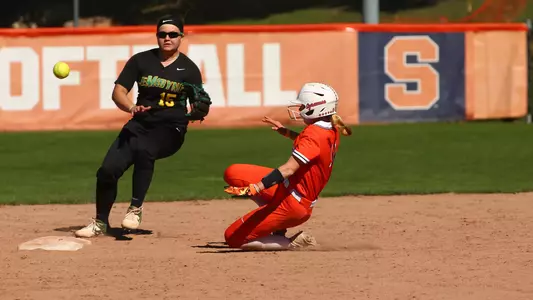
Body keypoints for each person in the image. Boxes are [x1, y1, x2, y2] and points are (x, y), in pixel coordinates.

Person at [75, 14, 211, 238]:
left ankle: (135, 208)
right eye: (162, 34)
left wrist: (199, 109)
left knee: (144, 149)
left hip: (171, 129)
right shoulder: (141, 61)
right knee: (107, 171)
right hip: (139, 124)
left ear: (181, 37)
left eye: (172, 34)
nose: (167, 38)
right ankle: (100, 223)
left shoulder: (189, 69)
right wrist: (131, 108)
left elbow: (199, 101)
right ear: (157, 36)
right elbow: (118, 92)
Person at [222, 82, 352, 250]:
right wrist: (285, 131)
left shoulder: (314, 134)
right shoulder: (330, 127)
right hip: (289, 190)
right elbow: (311, 147)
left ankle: (293, 243)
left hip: (293, 205)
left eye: (303, 105)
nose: (299, 109)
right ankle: (274, 220)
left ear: (316, 108)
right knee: (233, 173)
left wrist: (257, 187)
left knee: (233, 238)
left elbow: (288, 169)